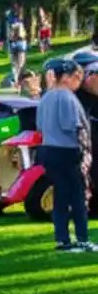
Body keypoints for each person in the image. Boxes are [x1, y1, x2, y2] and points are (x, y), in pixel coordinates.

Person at [37, 60, 95, 252]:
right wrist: (85, 149)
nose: (79, 82)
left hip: (48, 150)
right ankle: (82, 238)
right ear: (68, 77)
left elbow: (40, 126)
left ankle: (62, 239)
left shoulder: (45, 98)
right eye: (77, 77)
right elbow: (72, 126)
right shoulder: (67, 98)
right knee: (77, 196)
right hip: (67, 150)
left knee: (60, 196)